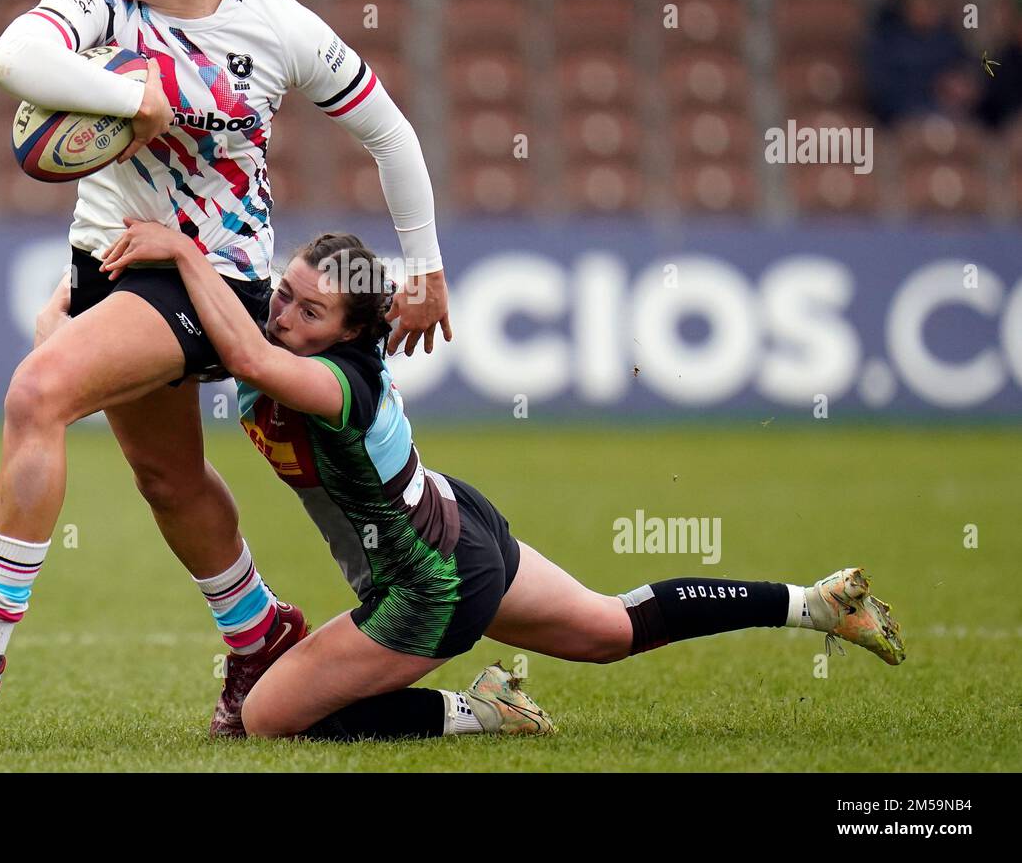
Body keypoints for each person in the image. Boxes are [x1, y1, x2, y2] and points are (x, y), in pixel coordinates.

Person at [0, 0, 452, 736]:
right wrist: (130, 97)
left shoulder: (273, 25)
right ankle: (261, 635)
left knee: (38, 392)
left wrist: (425, 267)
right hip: (107, 267)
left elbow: (389, 131)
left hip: (208, 279)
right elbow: (11, 59)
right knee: (170, 479)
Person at [97, 222, 906, 740]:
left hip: (430, 584)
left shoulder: (340, 382)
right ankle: (819, 604)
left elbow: (246, 357)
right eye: (285, 296)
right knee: (609, 631)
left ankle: (477, 711)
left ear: (350, 333)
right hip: (458, 525)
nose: (284, 316)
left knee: (269, 716)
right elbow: (221, 335)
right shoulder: (283, 335)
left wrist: (180, 249)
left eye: (311, 313)